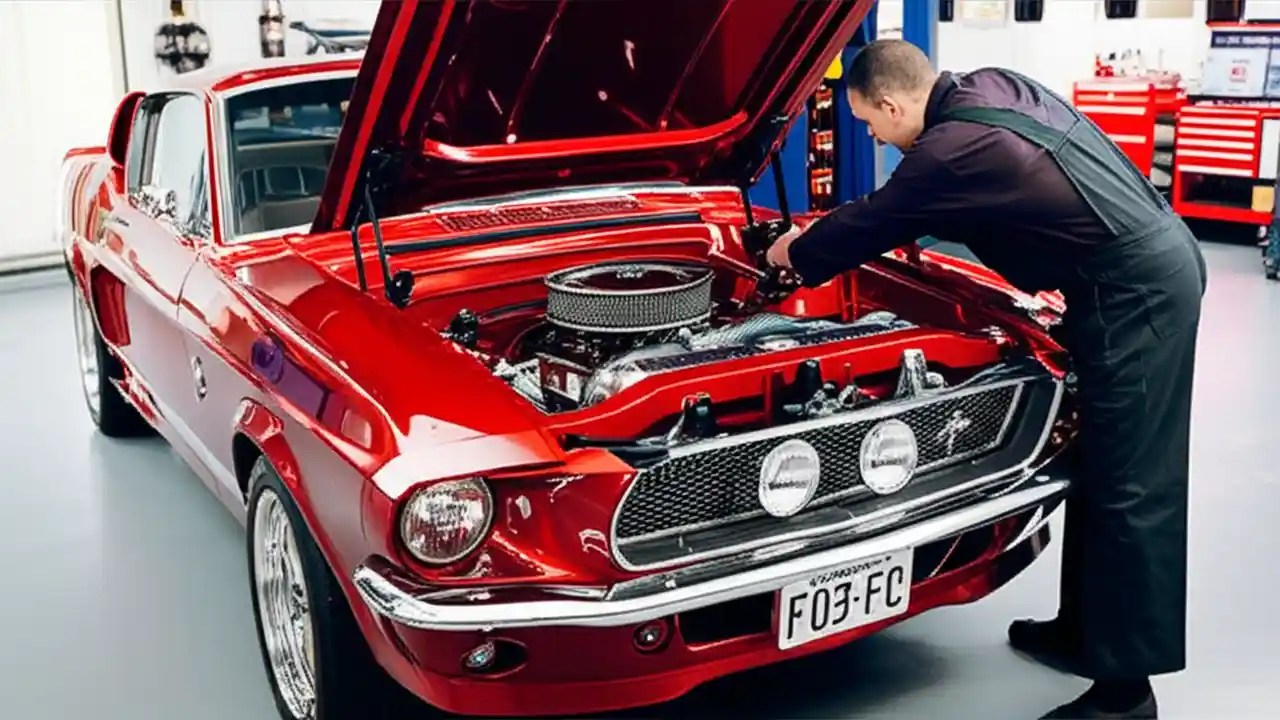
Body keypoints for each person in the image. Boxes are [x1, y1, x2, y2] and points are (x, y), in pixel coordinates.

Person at [765, 40, 1206, 719]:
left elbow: (878, 218)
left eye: (868, 123)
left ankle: (1126, 696)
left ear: (891, 103)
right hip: (1120, 276)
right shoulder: (989, 86)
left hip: (1137, 292)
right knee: (1099, 464)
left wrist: (794, 251)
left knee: (1134, 486)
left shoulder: (948, 151)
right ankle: (1084, 634)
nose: (873, 137)